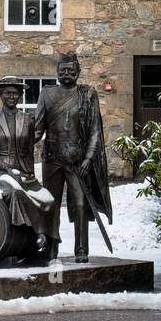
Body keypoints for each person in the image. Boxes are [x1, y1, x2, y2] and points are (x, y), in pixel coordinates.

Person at [34, 51, 112, 261]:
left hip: (78, 161)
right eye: (62, 70)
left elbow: (95, 131)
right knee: (51, 204)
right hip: (52, 158)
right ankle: (51, 247)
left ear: (78, 72)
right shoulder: (47, 94)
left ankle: (81, 249)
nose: (66, 73)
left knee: (79, 204)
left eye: (70, 70)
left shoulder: (87, 95)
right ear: (57, 72)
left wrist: (88, 158)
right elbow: (37, 128)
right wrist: (19, 141)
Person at [0, 77, 57, 261]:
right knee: (15, 194)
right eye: (7, 92)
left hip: (24, 172)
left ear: (20, 95)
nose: (12, 96)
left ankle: (50, 243)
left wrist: (29, 173)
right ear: (0, 94)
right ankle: (37, 233)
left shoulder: (28, 119)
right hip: (1, 173)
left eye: (15, 93)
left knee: (48, 200)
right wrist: (6, 168)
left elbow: (30, 150)